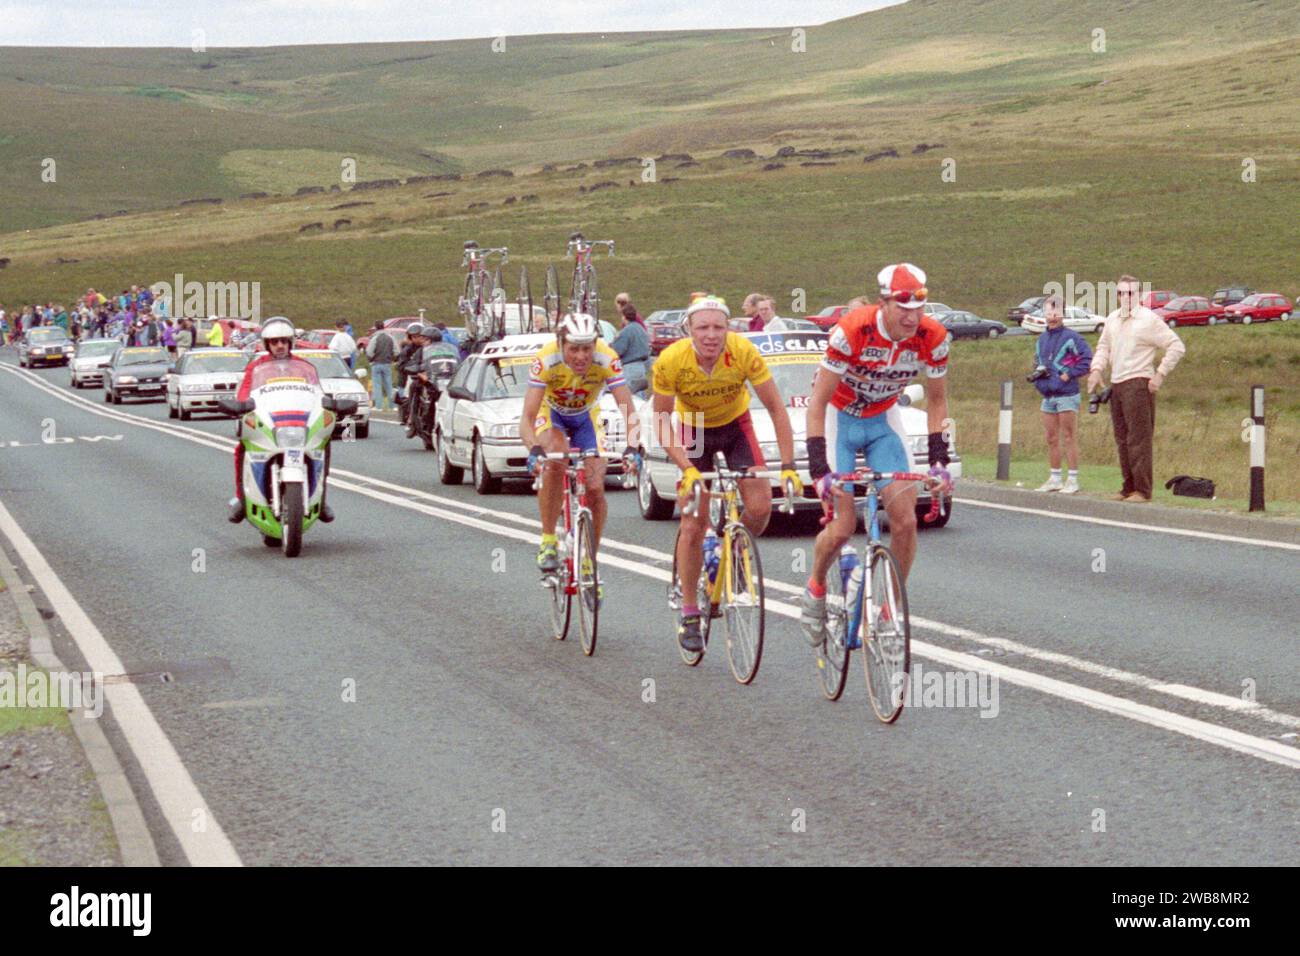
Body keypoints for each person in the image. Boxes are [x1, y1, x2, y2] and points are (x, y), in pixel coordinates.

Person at [799, 263, 952, 646]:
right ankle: (816, 587)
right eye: (902, 307)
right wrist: (819, 469)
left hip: (884, 421)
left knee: (905, 521)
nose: (911, 316)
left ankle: (888, 613)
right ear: (884, 303)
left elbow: (937, 401)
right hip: (839, 419)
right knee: (843, 526)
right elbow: (816, 403)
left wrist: (939, 461)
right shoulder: (851, 330)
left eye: (919, 307)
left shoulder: (934, 337)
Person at [652, 296, 801, 653]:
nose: (711, 335)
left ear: (729, 328)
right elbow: (660, 421)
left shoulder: (743, 351)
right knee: (692, 520)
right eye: (703, 327)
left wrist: (789, 466)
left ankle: (733, 550)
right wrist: (686, 469)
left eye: (719, 327)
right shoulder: (671, 359)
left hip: (737, 424)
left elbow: (777, 409)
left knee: (762, 505)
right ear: (689, 330)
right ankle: (690, 610)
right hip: (695, 428)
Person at [519, 313, 640, 601]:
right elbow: (527, 416)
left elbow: (627, 407)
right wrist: (534, 448)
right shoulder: (545, 359)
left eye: (587, 348)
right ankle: (549, 539)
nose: (581, 355)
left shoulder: (607, 358)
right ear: (561, 344)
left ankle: (589, 559)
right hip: (553, 415)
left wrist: (634, 447)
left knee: (597, 486)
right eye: (574, 348)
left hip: (587, 416)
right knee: (556, 459)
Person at [1086, 274, 1185, 503]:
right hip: (1117, 383)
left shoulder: (1148, 320)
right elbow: (1103, 347)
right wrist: (1096, 369)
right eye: (1121, 293)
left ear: (1139, 295)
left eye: (1130, 293)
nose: (1125, 297)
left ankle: (1142, 490)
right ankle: (1128, 487)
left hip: (1139, 382)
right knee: (1122, 439)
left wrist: (1160, 375)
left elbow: (1176, 346)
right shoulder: (1112, 319)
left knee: (1139, 439)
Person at [228, 317, 334, 525]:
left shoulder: (304, 367)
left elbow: (316, 392)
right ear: (268, 344)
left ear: (290, 342)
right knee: (242, 448)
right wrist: (242, 405)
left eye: (284, 341)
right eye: (275, 342)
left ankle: (320, 499)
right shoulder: (256, 367)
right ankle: (241, 499)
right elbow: (244, 392)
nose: (279, 346)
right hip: (270, 422)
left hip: (297, 422)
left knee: (324, 443)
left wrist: (327, 405)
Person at [1032, 294, 1091, 494]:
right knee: (1051, 437)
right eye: (1049, 312)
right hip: (1048, 396)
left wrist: (1068, 375)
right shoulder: (1041, 339)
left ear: (1063, 313)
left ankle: (1073, 479)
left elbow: (1086, 359)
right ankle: (1055, 477)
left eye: (1056, 312)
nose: (1052, 317)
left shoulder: (1072, 337)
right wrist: (1039, 382)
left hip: (1067, 394)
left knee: (1068, 436)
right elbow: (1037, 363)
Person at [610, 297, 651, 394]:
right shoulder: (640, 329)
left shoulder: (626, 331)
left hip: (630, 368)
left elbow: (618, 351)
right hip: (642, 368)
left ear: (624, 316)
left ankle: (624, 410)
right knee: (639, 398)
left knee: (626, 397)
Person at [365, 320, 396, 410]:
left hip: (376, 363)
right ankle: (392, 406)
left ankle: (378, 406)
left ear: (375, 327)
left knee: (377, 385)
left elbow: (369, 352)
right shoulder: (391, 337)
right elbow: (397, 351)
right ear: (384, 327)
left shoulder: (374, 338)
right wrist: (392, 358)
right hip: (387, 363)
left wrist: (371, 359)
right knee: (389, 385)